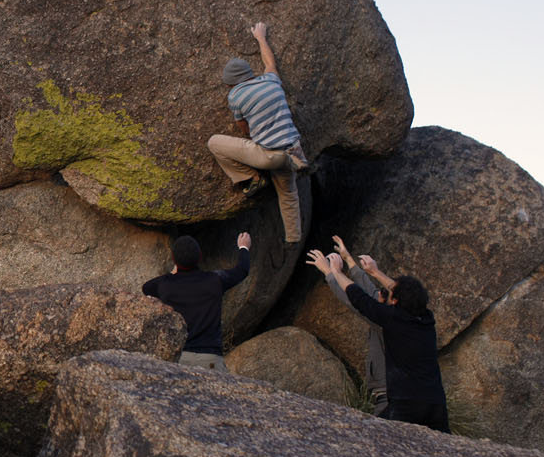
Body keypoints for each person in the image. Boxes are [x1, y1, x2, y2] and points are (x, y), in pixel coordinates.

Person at [305, 248, 450, 432]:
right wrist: (372, 271)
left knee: (386, 441)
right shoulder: (426, 319)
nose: (382, 294)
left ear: (395, 302)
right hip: (435, 401)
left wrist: (332, 271)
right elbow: (407, 293)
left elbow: (356, 297)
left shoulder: (390, 319)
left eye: (389, 295)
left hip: (404, 401)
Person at [207, 22, 309, 245]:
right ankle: (293, 239)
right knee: (289, 194)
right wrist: (261, 38)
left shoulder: (235, 96)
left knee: (214, 143)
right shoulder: (271, 80)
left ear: (232, 83)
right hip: (292, 153)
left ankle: (251, 177)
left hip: (267, 156)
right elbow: (270, 63)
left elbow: (243, 128)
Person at [142, 231, 251, 371]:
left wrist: (173, 273)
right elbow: (242, 270)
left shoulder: (165, 285)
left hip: (179, 357)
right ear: (200, 257)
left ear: (174, 260)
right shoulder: (215, 280)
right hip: (210, 357)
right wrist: (244, 247)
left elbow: (146, 288)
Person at [323, 235, 391, 418]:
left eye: (383, 296)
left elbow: (355, 301)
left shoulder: (387, 324)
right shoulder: (411, 317)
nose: (378, 295)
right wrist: (349, 260)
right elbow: (370, 292)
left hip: (390, 399)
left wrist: (331, 273)